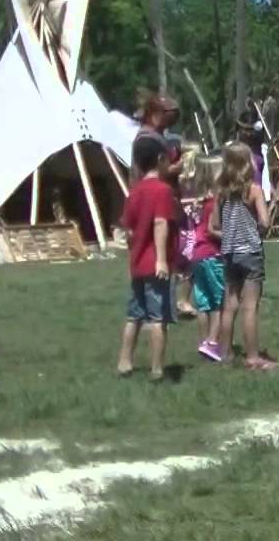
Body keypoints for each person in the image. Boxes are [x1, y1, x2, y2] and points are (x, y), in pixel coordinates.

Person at [116, 136, 178, 381]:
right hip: (155, 265)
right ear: (161, 160)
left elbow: (129, 230)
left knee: (134, 316)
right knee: (157, 318)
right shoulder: (162, 190)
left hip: (138, 264)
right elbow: (160, 223)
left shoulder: (134, 192)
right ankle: (157, 369)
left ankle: (124, 361)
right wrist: (161, 259)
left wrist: (133, 258)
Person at [211, 142, 274, 370]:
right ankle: (252, 356)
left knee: (230, 305)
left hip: (229, 252)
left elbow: (215, 225)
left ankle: (225, 352)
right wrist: (258, 228)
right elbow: (265, 222)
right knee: (250, 306)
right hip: (250, 251)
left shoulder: (221, 191)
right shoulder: (254, 190)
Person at [187, 156, 226, 362]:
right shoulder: (215, 203)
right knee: (220, 302)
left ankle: (203, 342)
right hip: (213, 254)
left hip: (197, 255)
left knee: (203, 303)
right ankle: (213, 343)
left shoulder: (198, 202)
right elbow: (213, 230)